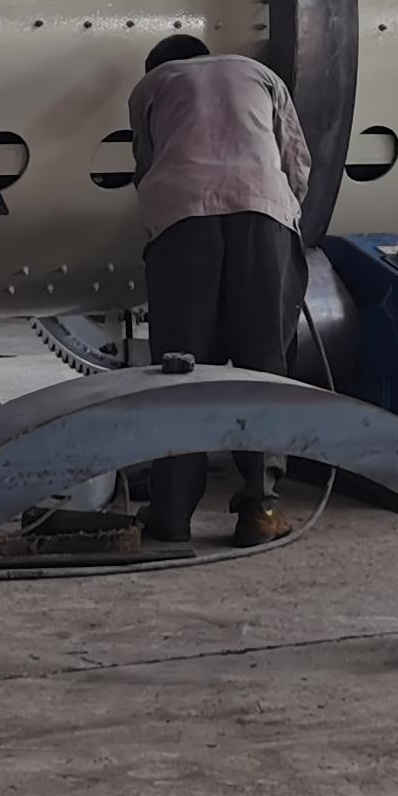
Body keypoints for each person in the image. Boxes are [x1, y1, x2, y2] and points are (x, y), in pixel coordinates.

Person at [126, 31, 312, 545]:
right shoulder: (260, 75)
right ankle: (260, 510)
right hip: (263, 214)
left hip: (182, 222)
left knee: (179, 370)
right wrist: (282, 215)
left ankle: (171, 513)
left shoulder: (150, 87)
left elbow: (145, 166)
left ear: (156, 66)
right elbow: (296, 159)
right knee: (263, 366)